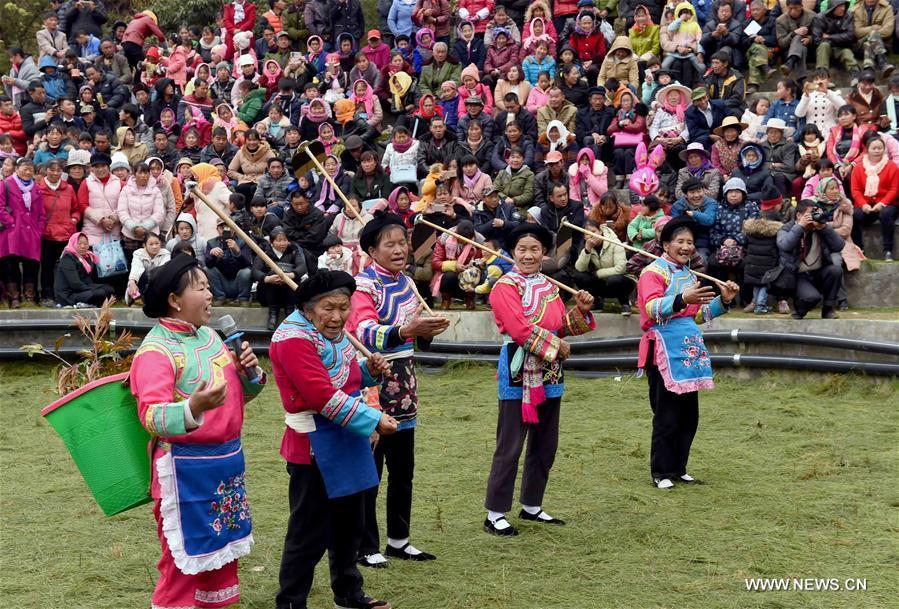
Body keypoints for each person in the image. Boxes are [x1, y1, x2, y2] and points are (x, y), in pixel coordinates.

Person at [129, 255, 265, 609]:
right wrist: (193, 407)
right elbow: (152, 416)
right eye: (201, 288)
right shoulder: (156, 352)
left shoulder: (211, 337)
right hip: (184, 471)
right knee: (182, 565)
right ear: (175, 300)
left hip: (226, 465)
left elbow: (234, 400)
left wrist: (248, 375)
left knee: (221, 559)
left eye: (208, 286)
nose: (210, 294)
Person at [270, 270, 396, 609]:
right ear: (309, 308)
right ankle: (291, 602)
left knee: (350, 525)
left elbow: (345, 376)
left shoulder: (332, 332)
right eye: (329, 308)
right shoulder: (292, 338)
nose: (338, 317)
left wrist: (369, 371)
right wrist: (374, 419)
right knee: (308, 531)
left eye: (344, 308)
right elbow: (321, 395)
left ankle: (348, 593)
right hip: (315, 443)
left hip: (348, 437)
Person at [346, 211, 450, 567]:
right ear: (372, 250)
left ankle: (399, 540)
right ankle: (365, 545)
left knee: (403, 469)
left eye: (402, 242)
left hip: (404, 384)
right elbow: (363, 330)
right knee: (370, 471)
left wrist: (427, 330)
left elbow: (414, 334)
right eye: (388, 244)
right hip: (374, 385)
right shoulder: (363, 285)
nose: (398, 249)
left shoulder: (406, 281)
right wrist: (406, 331)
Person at [483, 222, 595, 536]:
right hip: (518, 368)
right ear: (512, 252)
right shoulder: (505, 287)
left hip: (550, 370)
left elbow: (559, 327)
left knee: (546, 442)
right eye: (522, 249)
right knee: (510, 443)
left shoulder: (549, 286)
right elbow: (519, 329)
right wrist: (557, 346)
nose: (528, 255)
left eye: (535, 249)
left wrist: (580, 310)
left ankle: (532, 504)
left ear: (544, 252)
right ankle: (495, 513)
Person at [637, 216, 739, 490]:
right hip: (664, 350)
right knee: (666, 416)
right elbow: (651, 309)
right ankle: (660, 471)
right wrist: (683, 298)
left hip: (689, 352)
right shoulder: (652, 273)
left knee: (688, 417)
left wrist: (723, 300)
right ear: (666, 244)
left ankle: (678, 468)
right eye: (680, 241)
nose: (686, 247)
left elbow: (696, 316)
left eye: (690, 242)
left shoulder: (691, 275)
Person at [776, 199, 846, 318]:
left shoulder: (820, 229)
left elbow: (839, 246)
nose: (815, 217)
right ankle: (799, 311)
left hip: (817, 272)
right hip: (797, 275)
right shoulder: (787, 228)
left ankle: (828, 309)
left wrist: (824, 228)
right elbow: (785, 246)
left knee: (835, 270)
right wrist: (800, 227)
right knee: (811, 297)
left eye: (816, 214)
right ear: (799, 215)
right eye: (811, 214)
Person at [1, 158, 46, 307]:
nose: (27, 172)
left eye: (30, 169)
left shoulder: (36, 188)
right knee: (11, 264)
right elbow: (0, 207)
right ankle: (14, 297)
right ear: (16, 169)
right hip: (11, 232)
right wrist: (11, 223)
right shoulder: (6, 184)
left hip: (31, 232)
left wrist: (39, 229)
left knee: (31, 264)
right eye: (24, 169)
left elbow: (42, 213)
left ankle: (29, 297)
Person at [849, 134, 899, 261]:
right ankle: (859, 249)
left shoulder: (891, 166)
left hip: (888, 203)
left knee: (886, 214)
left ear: (884, 149)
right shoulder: (859, 167)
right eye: (874, 148)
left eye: (880, 148)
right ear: (867, 150)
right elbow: (855, 190)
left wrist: (882, 203)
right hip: (866, 203)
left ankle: (888, 250)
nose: (877, 151)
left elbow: (894, 189)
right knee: (854, 215)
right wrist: (863, 204)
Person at [253, 227, 307, 329]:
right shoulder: (264, 252)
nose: (283, 243)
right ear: (271, 242)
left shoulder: (293, 250)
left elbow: (302, 267)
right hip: (269, 292)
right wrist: (268, 278)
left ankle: (290, 312)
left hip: (289, 290)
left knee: (290, 279)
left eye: (285, 240)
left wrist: (290, 275)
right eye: (279, 240)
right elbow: (255, 271)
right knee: (273, 275)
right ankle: (273, 313)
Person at [573, 219, 630, 313]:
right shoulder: (585, 245)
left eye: (594, 231)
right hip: (598, 280)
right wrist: (587, 250)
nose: (591, 235)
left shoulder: (614, 242)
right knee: (579, 276)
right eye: (587, 233)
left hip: (618, 278)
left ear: (600, 231)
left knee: (615, 279)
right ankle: (596, 302)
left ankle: (625, 303)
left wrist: (598, 274)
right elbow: (580, 268)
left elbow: (621, 268)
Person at [205, 219, 253, 305]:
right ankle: (219, 297)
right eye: (221, 227)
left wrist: (237, 252)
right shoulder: (211, 243)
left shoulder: (243, 242)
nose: (224, 230)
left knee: (246, 272)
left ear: (233, 229)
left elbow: (248, 264)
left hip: (238, 282)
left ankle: (243, 298)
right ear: (217, 229)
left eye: (227, 227)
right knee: (207, 269)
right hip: (221, 282)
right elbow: (208, 264)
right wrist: (212, 255)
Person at [812, 0, 859, 82]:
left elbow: (851, 36)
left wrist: (829, 37)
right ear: (833, 7)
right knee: (824, 46)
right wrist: (839, 39)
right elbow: (817, 40)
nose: (843, 8)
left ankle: (857, 78)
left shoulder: (848, 15)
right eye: (840, 6)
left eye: (844, 6)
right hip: (825, 50)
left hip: (842, 48)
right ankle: (823, 78)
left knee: (847, 52)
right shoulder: (820, 18)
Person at [126, 231, 171, 305]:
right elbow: (136, 267)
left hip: (157, 283)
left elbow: (163, 269)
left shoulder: (166, 254)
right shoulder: (138, 254)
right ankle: (136, 298)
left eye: (157, 243)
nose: (154, 247)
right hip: (142, 282)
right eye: (151, 244)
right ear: (144, 245)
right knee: (141, 275)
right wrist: (132, 282)